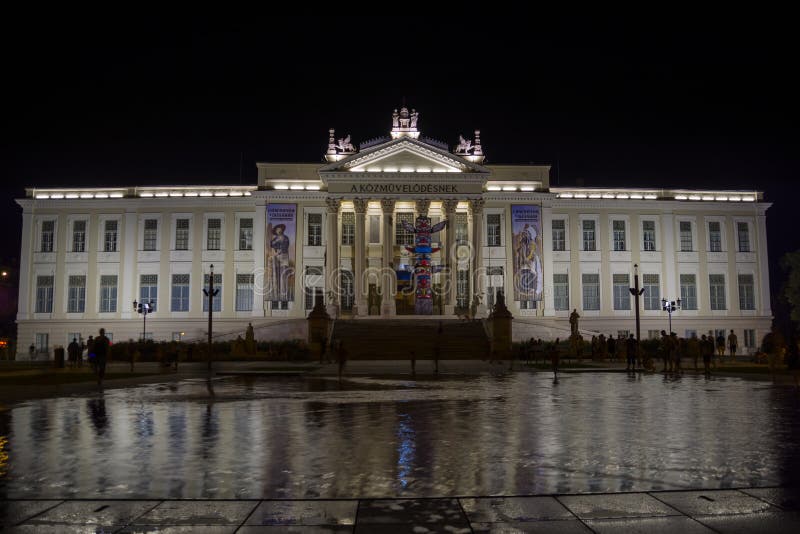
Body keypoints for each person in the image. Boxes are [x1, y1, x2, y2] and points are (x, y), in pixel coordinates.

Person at [269, 223, 291, 301]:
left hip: (284, 258)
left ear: (282, 229)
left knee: (283, 276)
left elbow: (285, 246)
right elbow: (271, 245)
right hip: (276, 258)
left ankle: (283, 294)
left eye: (279, 229)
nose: (278, 230)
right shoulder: (274, 239)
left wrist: (278, 250)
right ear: (276, 231)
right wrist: (275, 250)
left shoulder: (286, 238)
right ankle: (276, 293)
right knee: (276, 276)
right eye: (277, 229)